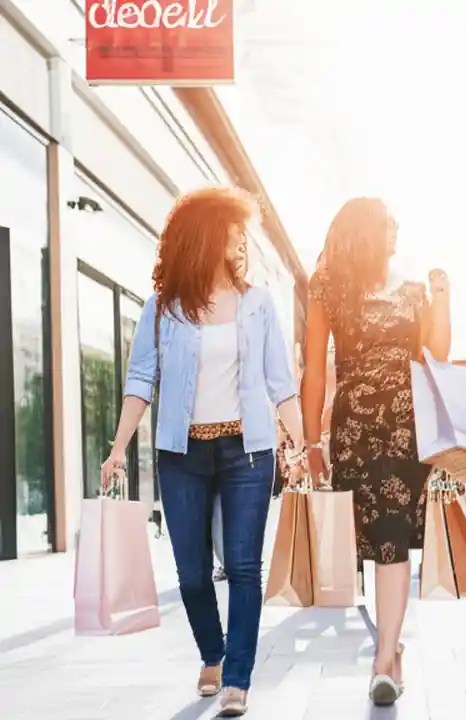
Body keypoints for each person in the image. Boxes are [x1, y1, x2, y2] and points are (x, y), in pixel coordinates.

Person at [100, 187, 305, 717]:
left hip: (247, 453)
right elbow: (141, 379)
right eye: (235, 229)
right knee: (191, 573)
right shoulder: (164, 308)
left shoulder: (257, 304)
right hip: (182, 454)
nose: (241, 240)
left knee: (242, 565)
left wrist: (303, 444)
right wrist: (119, 447)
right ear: (212, 235)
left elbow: (280, 383)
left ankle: (237, 677)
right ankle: (211, 653)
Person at [301, 197, 451, 707]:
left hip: (408, 430)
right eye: (388, 224)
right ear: (364, 233)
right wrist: (312, 439)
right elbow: (315, 370)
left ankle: (383, 657)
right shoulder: (326, 289)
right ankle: (392, 647)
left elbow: (437, 355)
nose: (396, 231)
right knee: (375, 540)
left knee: (392, 540)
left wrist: (442, 296)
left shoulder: (412, 293)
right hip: (354, 431)